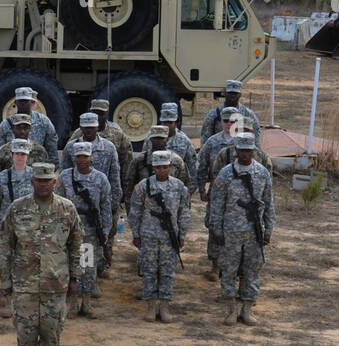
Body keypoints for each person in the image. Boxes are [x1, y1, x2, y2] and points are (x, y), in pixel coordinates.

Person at [0, 163, 83, 346]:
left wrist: (76, 276)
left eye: (48, 180)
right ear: (32, 182)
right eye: (39, 180)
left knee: (51, 333)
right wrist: (5, 280)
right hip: (24, 285)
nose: (43, 184)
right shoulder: (17, 209)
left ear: (55, 182)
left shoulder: (67, 209)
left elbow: (77, 245)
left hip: (55, 284)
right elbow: (5, 246)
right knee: (25, 332)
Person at [207, 133, 275, 326]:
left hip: (255, 233)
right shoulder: (226, 173)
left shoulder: (262, 173)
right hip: (231, 233)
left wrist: (268, 228)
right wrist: (217, 230)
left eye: (249, 150)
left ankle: (246, 310)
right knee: (229, 271)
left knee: (252, 271)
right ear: (236, 150)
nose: (245, 154)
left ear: (254, 150)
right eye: (242, 150)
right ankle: (231, 310)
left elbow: (269, 203)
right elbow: (217, 204)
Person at [129, 150, 191, 322]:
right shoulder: (143, 186)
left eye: (165, 167)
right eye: (158, 167)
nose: (162, 170)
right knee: (148, 271)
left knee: (167, 272)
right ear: (153, 168)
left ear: (170, 167)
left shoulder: (179, 187)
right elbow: (135, 212)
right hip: (148, 236)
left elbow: (184, 212)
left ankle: (164, 306)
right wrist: (136, 234)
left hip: (169, 238)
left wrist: (182, 234)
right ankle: (150, 306)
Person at [56, 141, 112, 318]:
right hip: (69, 231)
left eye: (85, 156)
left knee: (88, 267)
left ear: (91, 157)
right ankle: (72, 303)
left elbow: (105, 205)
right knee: (71, 267)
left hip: (90, 231)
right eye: (78, 156)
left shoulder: (100, 179)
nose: (81, 160)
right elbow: (56, 202)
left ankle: (86, 303)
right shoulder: (65, 177)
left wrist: (106, 229)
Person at [61, 113, 121, 275]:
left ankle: (97, 273)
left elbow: (115, 176)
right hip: (76, 203)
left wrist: (114, 203)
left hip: (101, 200)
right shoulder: (70, 147)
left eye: (92, 127)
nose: (88, 131)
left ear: (97, 127)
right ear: (81, 128)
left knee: (101, 239)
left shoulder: (108, 148)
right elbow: (64, 173)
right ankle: (77, 277)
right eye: (85, 127)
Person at [0, 139, 35, 317]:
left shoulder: (35, 177)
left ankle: (23, 299)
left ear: (27, 156)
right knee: (3, 263)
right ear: (12, 155)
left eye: (23, 154)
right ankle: (9, 299)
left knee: (26, 263)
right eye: (17, 154)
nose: (20, 157)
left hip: (29, 228)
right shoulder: (3, 178)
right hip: (7, 228)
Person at [196, 106, 242, 278]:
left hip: (239, 194)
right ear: (220, 122)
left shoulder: (244, 143)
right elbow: (202, 166)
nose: (229, 124)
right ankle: (215, 265)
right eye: (225, 121)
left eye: (233, 121)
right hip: (217, 193)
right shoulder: (213, 142)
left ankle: (235, 265)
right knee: (215, 225)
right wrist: (202, 189)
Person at [81, 99, 135, 201]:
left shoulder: (118, 135)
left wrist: (123, 192)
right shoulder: (80, 133)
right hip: (82, 190)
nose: (97, 117)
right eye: (95, 113)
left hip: (107, 191)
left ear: (107, 114)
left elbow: (126, 164)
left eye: (101, 114)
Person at [0, 87, 58, 155]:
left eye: (26, 101)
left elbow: (52, 148)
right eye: (20, 101)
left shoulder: (44, 122)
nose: (23, 104)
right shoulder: (6, 124)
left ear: (32, 102)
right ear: (15, 103)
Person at [0, 115, 47, 179]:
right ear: (13, 129)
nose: (22, 131)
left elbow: (45, 177)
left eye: (25, 128)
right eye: (19, 128)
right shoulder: (2, 151)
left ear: (30, 129)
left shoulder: (40, 151)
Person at [159, 102, 197, 175]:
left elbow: (191, 167)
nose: (167, 126)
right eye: (164, 122)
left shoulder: (184, 141)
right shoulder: (151, 139)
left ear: (176, 123)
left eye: (170, 122)